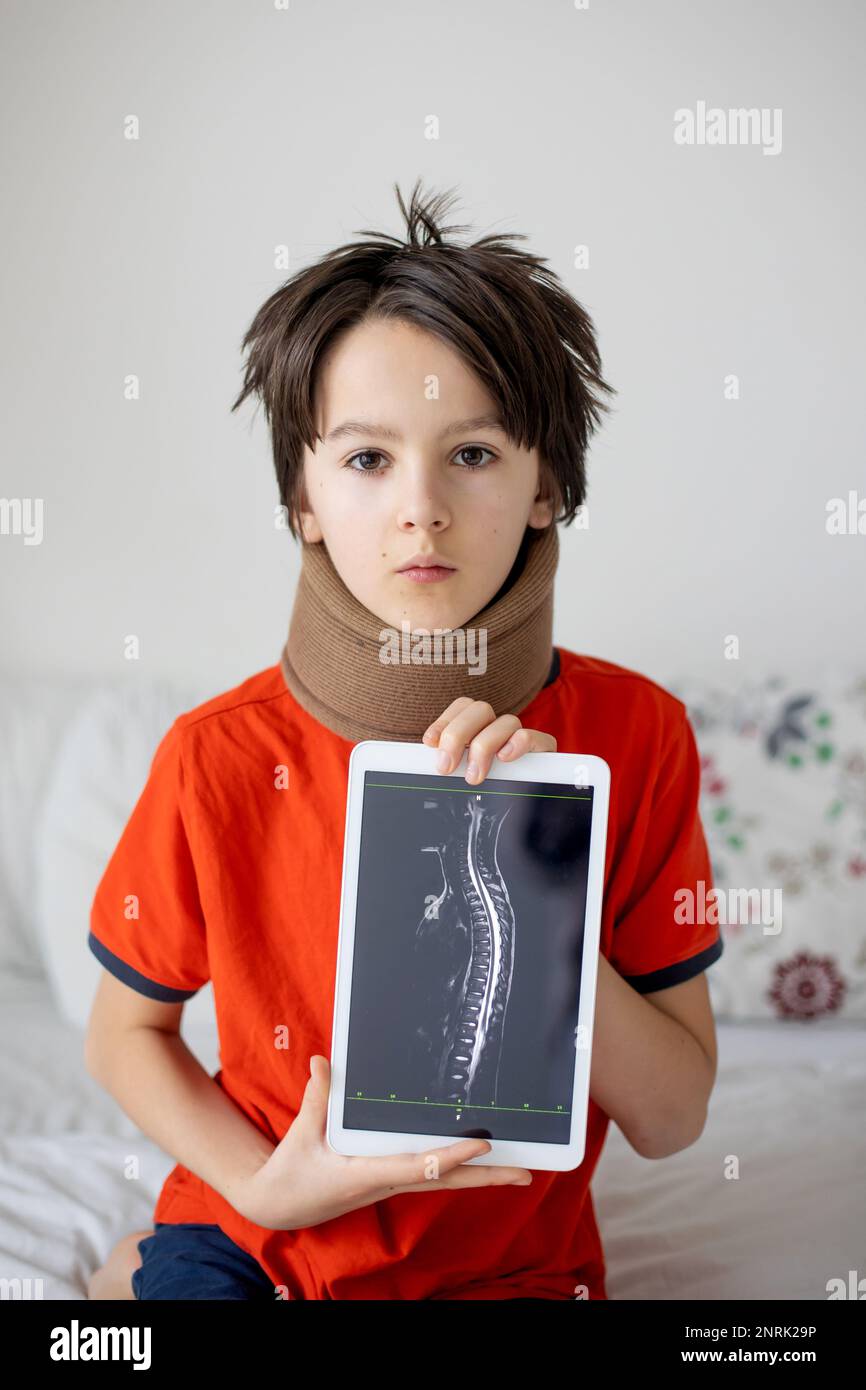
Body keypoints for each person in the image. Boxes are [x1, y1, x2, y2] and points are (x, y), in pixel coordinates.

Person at [85, 179, 723, 1301]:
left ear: (545, 486)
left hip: (507, 1267)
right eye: (367, 460)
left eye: (471, 453)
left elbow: (672, 1119)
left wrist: (534, 887)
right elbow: (124, 1034)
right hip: (252, 1233)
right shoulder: (216, 755)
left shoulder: (638, 735)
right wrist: (267, 1191)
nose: (418, 507)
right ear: (303, 497)